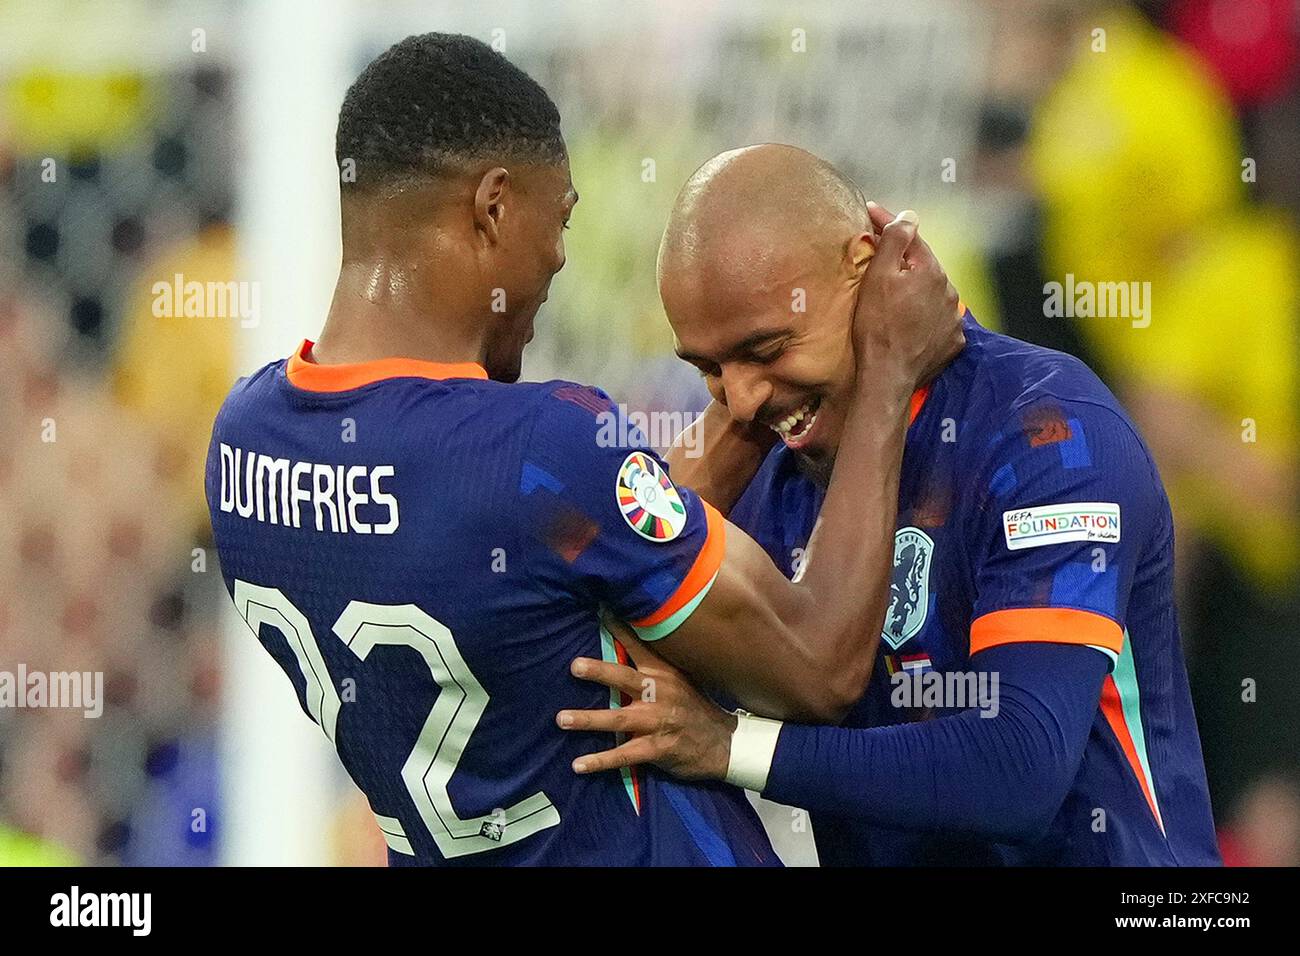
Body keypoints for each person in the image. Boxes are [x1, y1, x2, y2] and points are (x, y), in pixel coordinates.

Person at [205, 35, 961, 865]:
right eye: (558, 218)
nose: (562, 258)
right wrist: (889, 367)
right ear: (494, 207)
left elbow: (593, 544)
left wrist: (747, 388)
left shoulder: (243, 441)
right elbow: (818, 666)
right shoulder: (541, 446)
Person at [559, 145, 1221, 866]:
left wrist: (729, 744)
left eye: (768, 347)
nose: (743, 396)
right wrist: (736, 427)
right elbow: (592, 618)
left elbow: (1018, 766)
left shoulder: (1050, 435)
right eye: (710, 368)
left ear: (865, 268)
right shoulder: (767, 477)